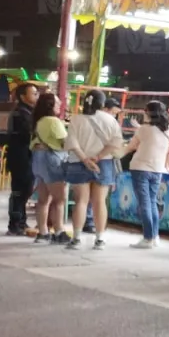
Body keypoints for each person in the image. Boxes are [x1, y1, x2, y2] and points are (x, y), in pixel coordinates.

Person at [62, 89, 125, 250]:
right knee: (99, 202)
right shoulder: (110, 120)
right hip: (103, 163)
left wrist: (85, 159)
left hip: (78, 162)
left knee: (81, 201)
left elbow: (72, 143)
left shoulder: (76, 119)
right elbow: (116, 143)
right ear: (103, 104)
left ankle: (76, 239)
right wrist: (97, 157)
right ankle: (100, 239)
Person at [123, 100, 169, 249]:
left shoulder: (144, 130)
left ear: (148, 113)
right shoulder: (168, 128)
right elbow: (152, 133)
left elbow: (131, 147)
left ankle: (147, 238)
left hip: (141, 168)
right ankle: (155, 237)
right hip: (157, 170)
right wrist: (139, 127)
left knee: (144, 203)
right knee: (152, 203)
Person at [30, 91, 68, 245]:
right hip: (51, 159)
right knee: (59, 199)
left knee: (43, 199)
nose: (60, 105)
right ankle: (59, 232)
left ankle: (43, 233)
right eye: (58, 103)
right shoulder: (53, 121)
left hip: (37, 159)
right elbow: (66, 142)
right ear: (51, 105)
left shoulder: (38, 121)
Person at [6, 82, 39, 236]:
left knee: (25, 190)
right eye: (33, 93)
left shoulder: (28, 112)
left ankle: (21, 220)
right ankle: (14, 224)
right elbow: (28, 135)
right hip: (20, 158)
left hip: (26, 157)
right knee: (19, 192)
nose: (36, 96)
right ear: (22, 96)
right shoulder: (20, 114)